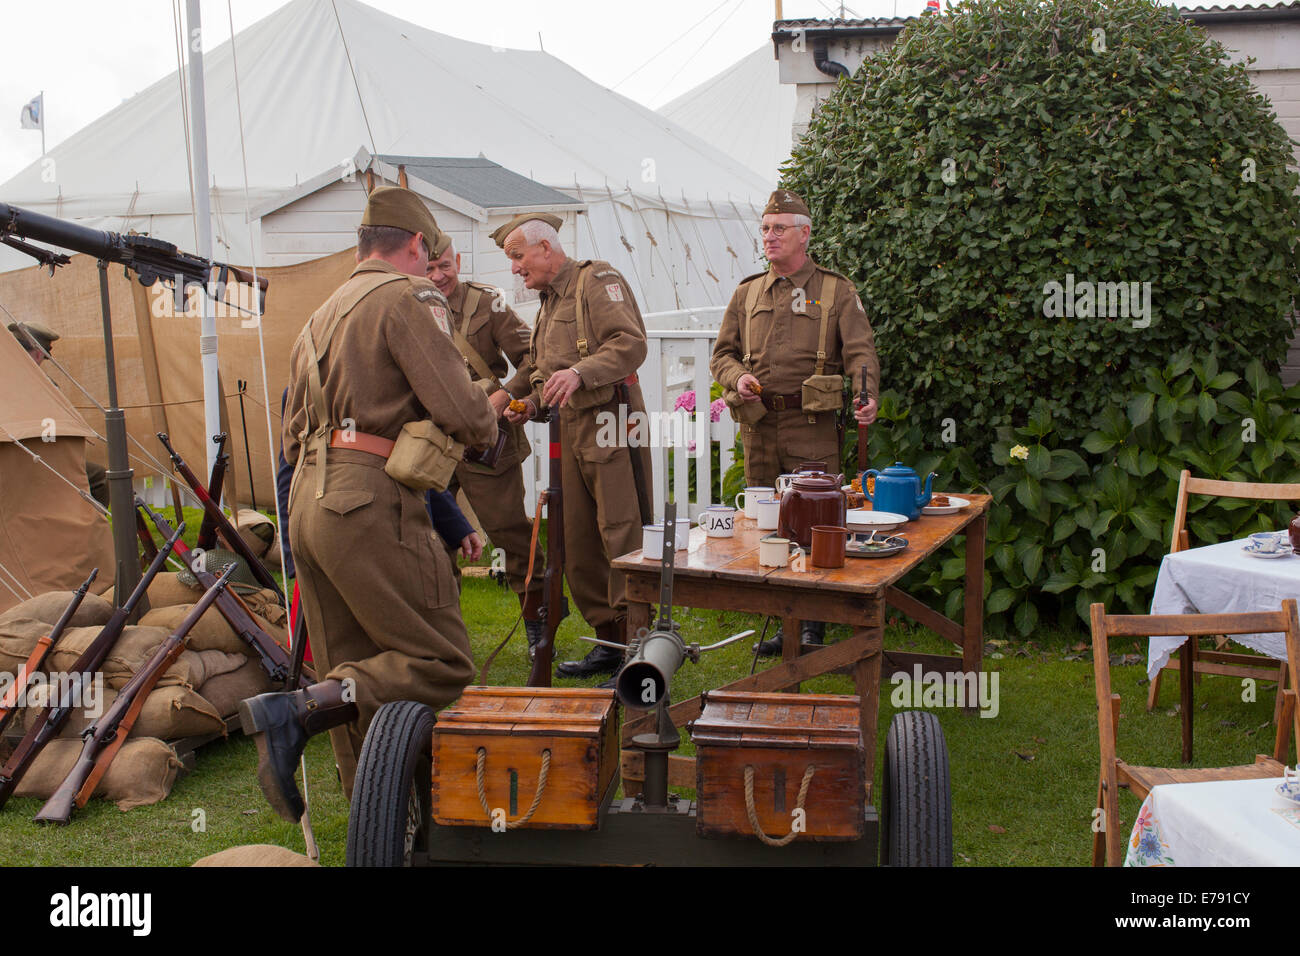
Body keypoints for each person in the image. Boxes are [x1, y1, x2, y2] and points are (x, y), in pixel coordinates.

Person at [240, 186, 497, 820]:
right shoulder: (407, 296)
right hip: (369, 499)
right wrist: (489, 417)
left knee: (351, 674)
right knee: (437, 660)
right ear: (414, 245)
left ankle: (378, 828)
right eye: (428, 253)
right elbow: (462, 410)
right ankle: (296, 710)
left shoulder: (318, 314)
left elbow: (292, 428)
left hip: (309, 498)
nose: (429, 264)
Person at [710, 189, 880, 655]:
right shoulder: (747, 293)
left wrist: (866, 394)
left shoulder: (835, 290)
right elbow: (721, 353)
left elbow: (861, 352)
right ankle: (779, 621)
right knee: (768, 523)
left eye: (779, 227)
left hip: (811, 426)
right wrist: (738, 376)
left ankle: (813, 627)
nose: (769, 236)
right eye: (765, 227)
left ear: (805, 233)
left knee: (813, 523)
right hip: (760, 427)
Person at [495, 212, 651, 680]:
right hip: (571, 428)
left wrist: (582, 373)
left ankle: (638, 643)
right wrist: (522, 399)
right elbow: (546, 370)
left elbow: (630, 343)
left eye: (518, 256)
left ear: (546, 248)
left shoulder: (596, 281)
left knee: (622, 533)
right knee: (577, 541)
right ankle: (607, 638)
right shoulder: (547, 303)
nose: (515, 268)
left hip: (612, 421)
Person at [425, 233, 546, 657]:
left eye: (445, 266)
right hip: (433, 441)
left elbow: (536, 356)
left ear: (457, 260)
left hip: (486, 438)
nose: (438, 276)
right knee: (433, 539)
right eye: (429, 268)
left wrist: (506, 393)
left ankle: (537, 626)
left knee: (509, 533)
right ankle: (445, 639)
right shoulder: (407, 304)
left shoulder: (486, 303)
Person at [8, 320, 109, 507]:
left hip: (18, 458)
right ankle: (88, 531)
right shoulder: (45, 387)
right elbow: (51, 434)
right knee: (99, 478)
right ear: (39, 353)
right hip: (30, 460)